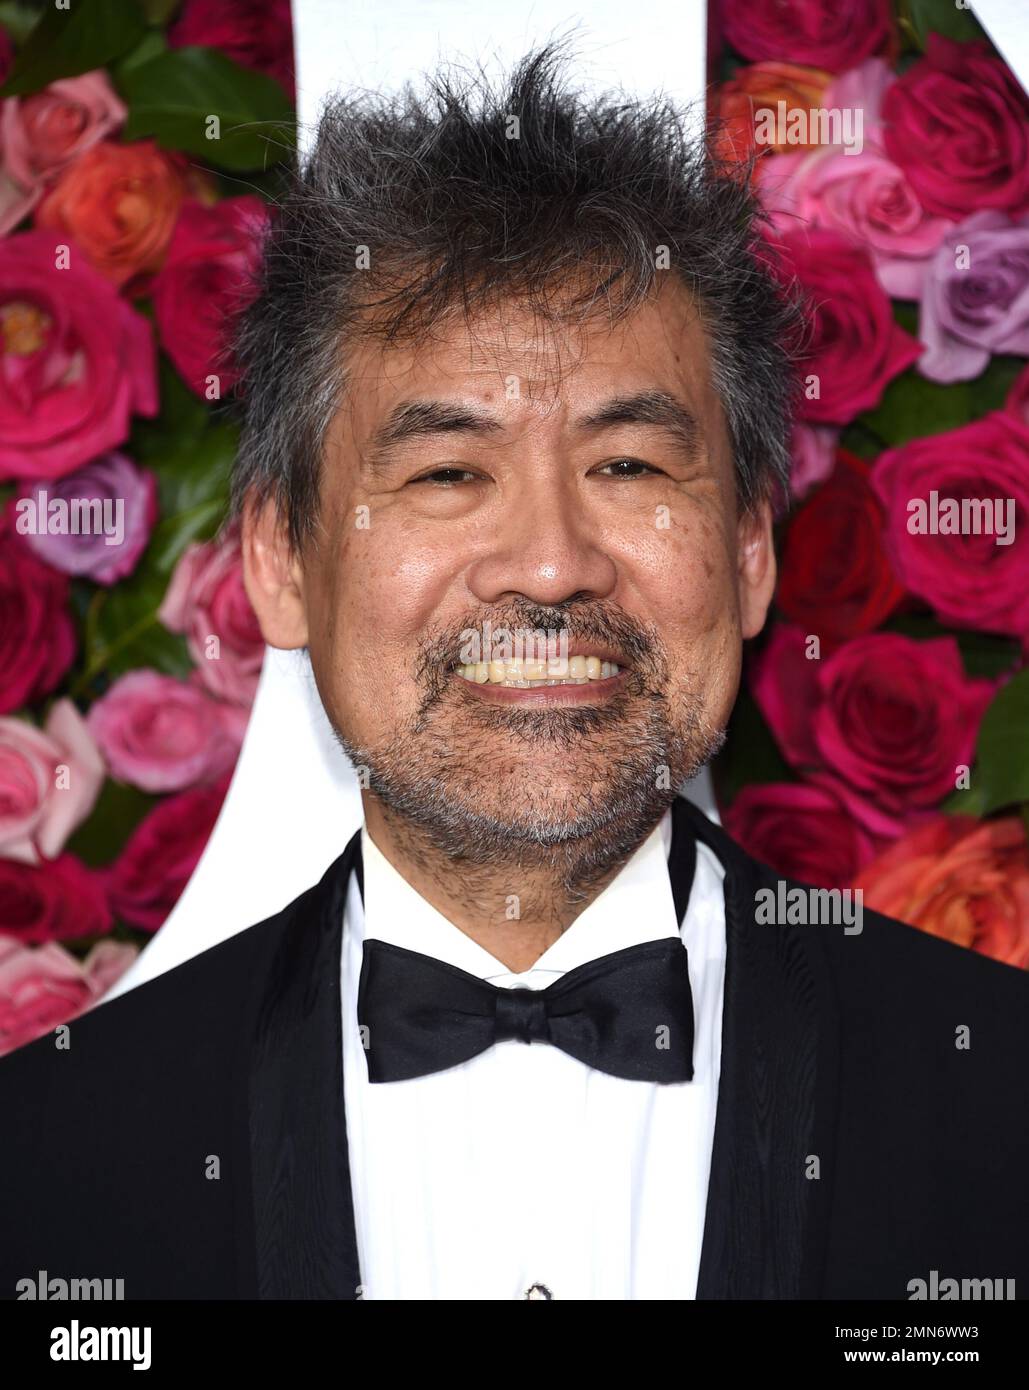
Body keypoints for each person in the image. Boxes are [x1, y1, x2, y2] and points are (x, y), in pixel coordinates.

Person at [2, 46, 1027, 1302]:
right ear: (278, 558)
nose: (549, 565)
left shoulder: (997, 1103)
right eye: (445, 473)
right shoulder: (50, 1159)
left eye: (632, 468)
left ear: (752, 548)